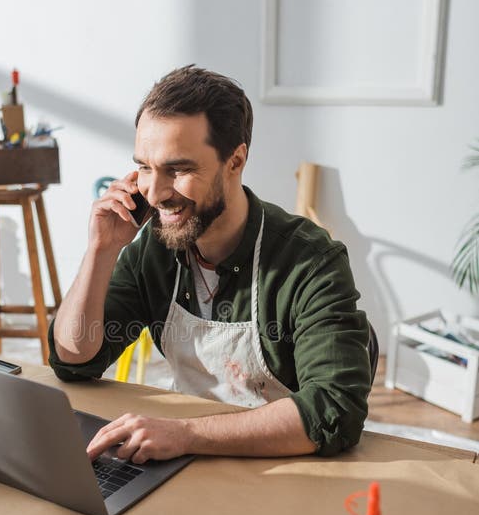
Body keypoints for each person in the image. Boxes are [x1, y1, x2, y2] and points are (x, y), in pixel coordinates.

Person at [50, 66, 371, 462]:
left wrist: (186, 435)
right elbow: (75, 360)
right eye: (145, 167)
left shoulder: (309, 261)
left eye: (178, 169)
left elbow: (334, 410)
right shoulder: (153, 248)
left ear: (235, 161)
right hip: (184, 459)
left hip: (286, 464)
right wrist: (101, 250)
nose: (155, 192)